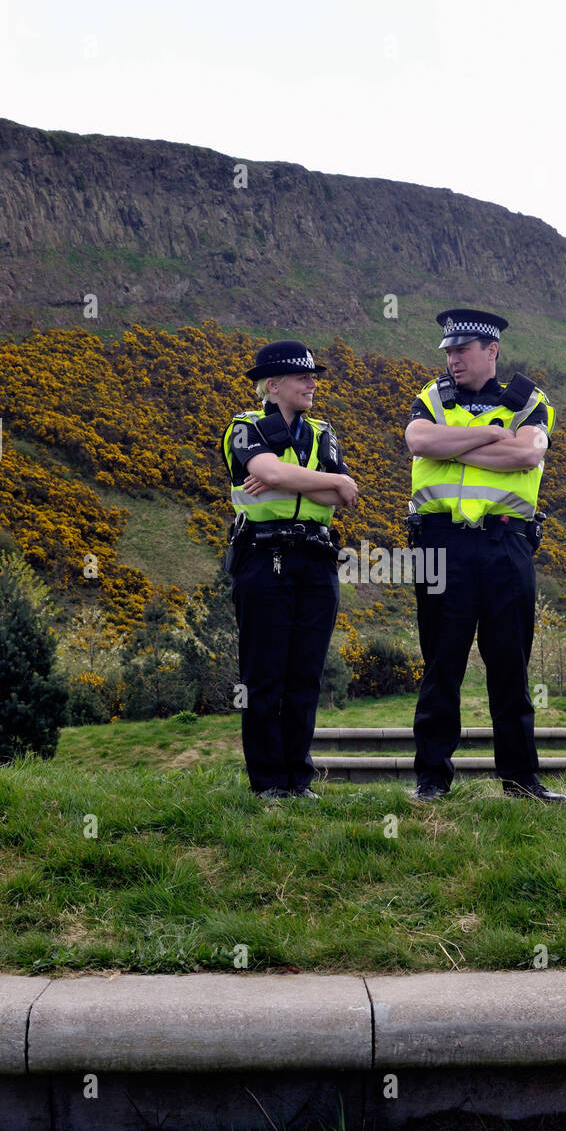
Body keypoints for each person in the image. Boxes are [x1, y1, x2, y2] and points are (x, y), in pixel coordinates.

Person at [404, 308, 566, 804]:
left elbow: (526, 455)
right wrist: (493, 434)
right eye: (448, 351)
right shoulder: (432, 396)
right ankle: (431, 780)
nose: (453, 359)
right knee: (441, 665)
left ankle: (521, 782)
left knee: (510, 666)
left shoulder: (529, 400)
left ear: (491, 351)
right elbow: (417, 440)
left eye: (462, 350)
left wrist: (451, 448)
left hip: (506, 545)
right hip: (440, 545)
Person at [220, 340, 357, 799]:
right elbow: (267, 473)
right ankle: (267, 783)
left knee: (305, 675)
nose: (313, 384)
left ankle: (299, 780)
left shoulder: (323, 432)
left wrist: (328, 482)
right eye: (303, 377)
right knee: (265, 676)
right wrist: (329, 480)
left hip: (317, 562)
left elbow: (346, 496)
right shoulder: (244, 427)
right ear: (273, 385)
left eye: (313, 377)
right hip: (264, 560)